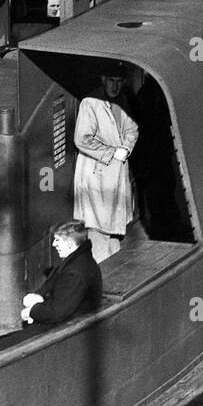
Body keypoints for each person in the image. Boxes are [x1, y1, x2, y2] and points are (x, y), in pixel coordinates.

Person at [0, 221, 102, 356]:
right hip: (70, 325)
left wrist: (31, 311)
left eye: (57, 240)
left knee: (1, 346)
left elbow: (58, 311)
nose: (54, 245)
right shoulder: (77, 261)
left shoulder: (75, 272)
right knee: (3, 343)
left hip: (66, 331)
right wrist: (38, 296)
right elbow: (53, 288)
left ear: (70, 243)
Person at [73, 68, 139, 262]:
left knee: (114, 230)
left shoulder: (122, 100)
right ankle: (101, 274)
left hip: (116, 172)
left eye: (119, 81)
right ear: (103, 79)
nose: (115, 86)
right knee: (97, 227)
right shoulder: (91, 102)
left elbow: (132, 128)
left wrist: (126, 148)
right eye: (111, 80)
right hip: (96, 174)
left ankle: (113, 268)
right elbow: (82, 139)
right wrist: (111, 153)